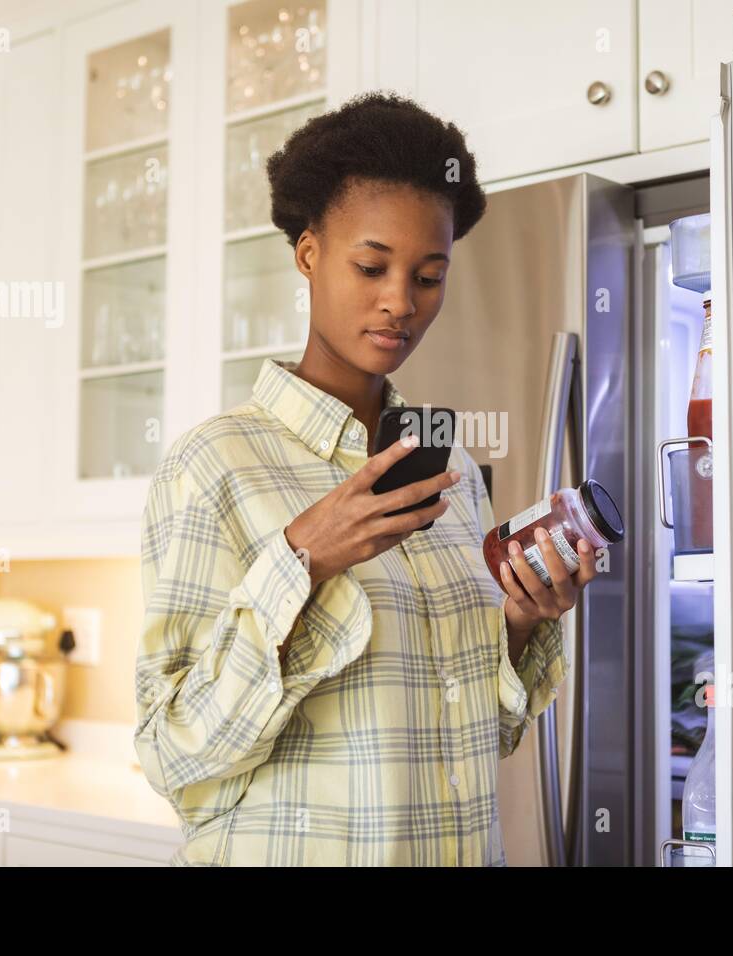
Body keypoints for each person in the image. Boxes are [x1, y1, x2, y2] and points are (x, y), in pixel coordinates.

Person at [134, 91, 597, 865]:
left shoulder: (448, 476)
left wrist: (520, 625)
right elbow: (172, 752)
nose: (400, 304)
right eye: (371, 265)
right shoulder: (213, 466)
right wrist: (303, 561)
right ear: (309, 254)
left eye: (428, 276)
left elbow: (484, 739)